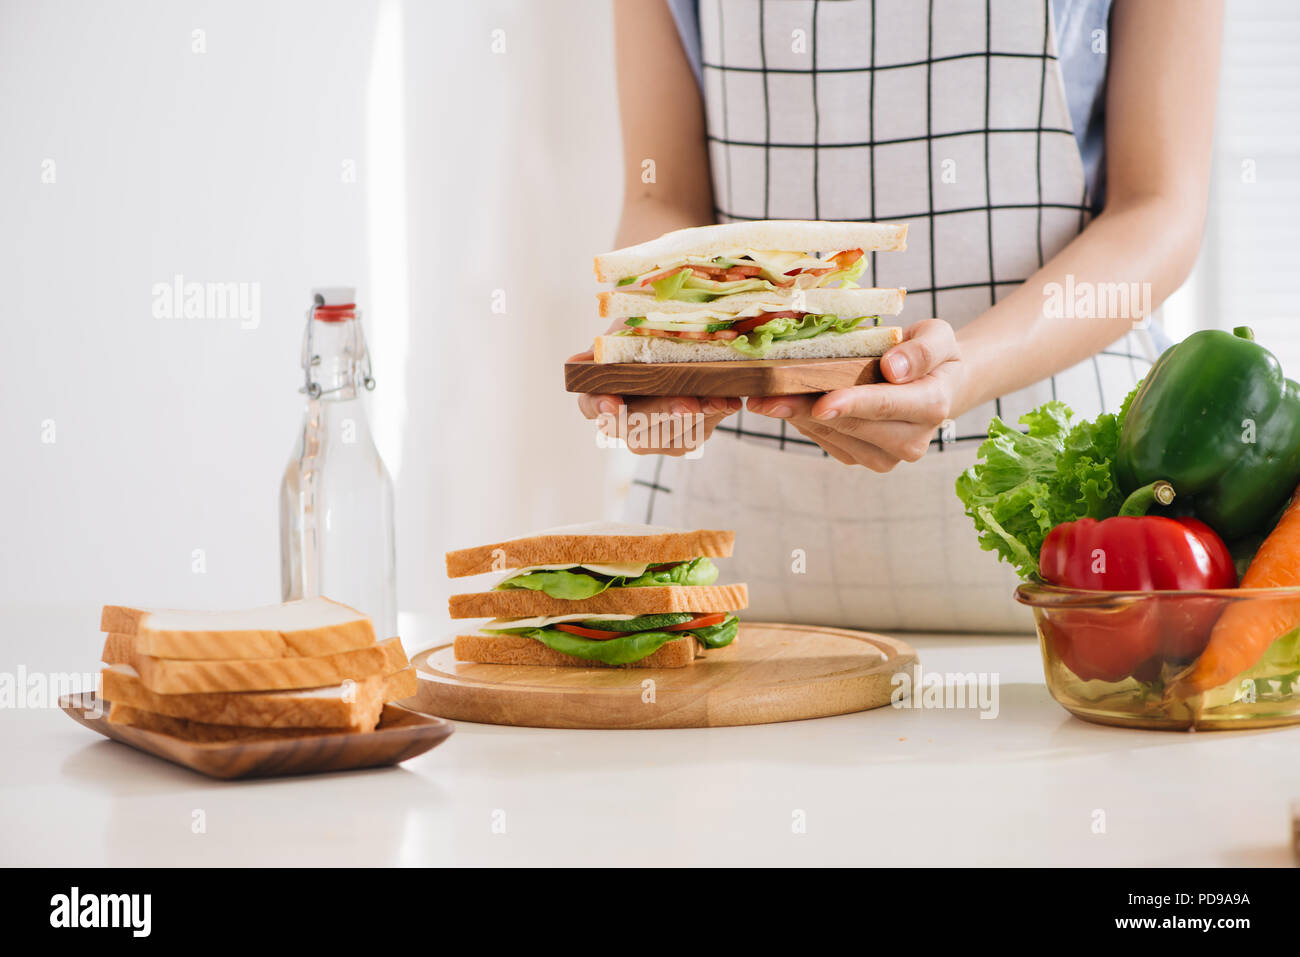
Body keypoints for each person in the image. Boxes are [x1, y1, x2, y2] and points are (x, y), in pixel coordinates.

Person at [573, 0, 1222, 631]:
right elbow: (663, 196)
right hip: (732, 546)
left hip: (1068, 569)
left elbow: (1158, 207)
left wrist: (962, 374)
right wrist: (657, 332)